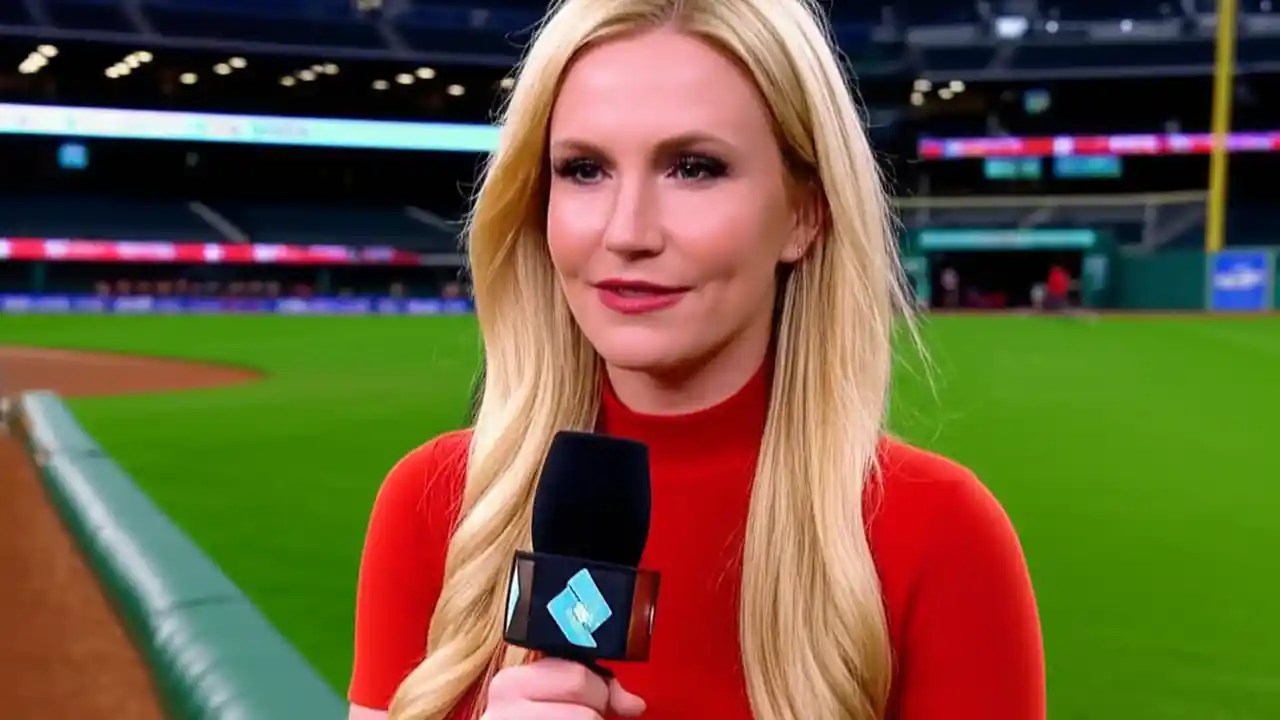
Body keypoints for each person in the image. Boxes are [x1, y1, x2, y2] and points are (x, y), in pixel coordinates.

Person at [348, 1, 1045, 719]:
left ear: (805, 212)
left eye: (694, 168)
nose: (627, 232)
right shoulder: (435, 508)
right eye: (584, 169)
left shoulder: (941, 538)